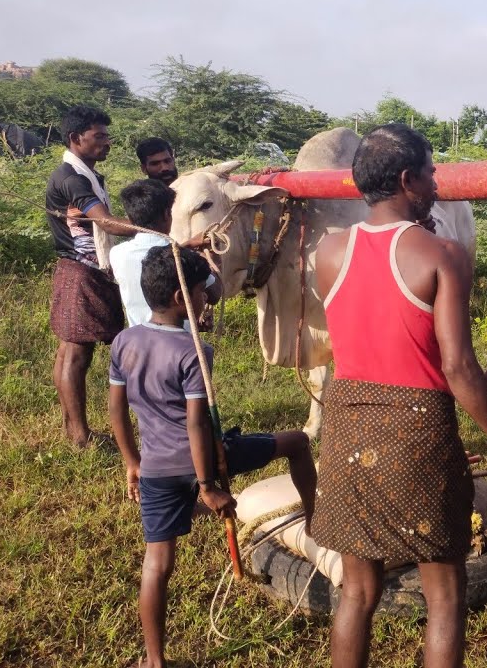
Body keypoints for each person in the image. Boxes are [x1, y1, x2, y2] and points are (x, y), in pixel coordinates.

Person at [309, 123, 487, 668]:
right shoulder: (444, 255)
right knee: (445, 595)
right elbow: (458, 367)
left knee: (358, 592)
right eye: (430, 171)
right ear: (408, 179)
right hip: (417, 429)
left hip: (347, 430)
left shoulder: (328, 254)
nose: (437, 181)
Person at [108, 246, 316, 668]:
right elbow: (197, 426)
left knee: (157, 564)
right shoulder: (194, 351)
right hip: (205, 460)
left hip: (155, 470)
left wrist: (132, 460)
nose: (207, 297)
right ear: (179, 299)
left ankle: (153, 662)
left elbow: (116, 408)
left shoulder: (124, 341)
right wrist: (207, 487)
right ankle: (317, 525)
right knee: (297, 442)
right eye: (202, 291)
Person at [46, 104, 136, 448]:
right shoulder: (72, 179)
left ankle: (75, 430)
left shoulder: (88, 175)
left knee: (71, 351)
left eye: (107, 135)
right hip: (79, 270)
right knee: (75, 353)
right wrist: (157, 231)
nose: (106, 142)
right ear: (75, 139)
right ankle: (80, 437)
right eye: (98, 136)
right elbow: (106, 222)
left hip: (90, 269)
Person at [110, 179, 219, 327]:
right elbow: (214, 294)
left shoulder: (117, 254)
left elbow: (156, 253)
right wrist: (211, 256)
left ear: (129, 218)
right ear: (167, 214)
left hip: (140, 338)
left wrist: (187, 246)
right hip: (179, 342)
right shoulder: (186, 258)